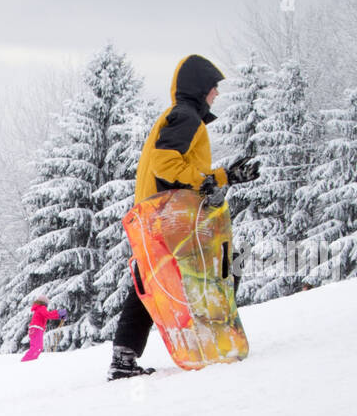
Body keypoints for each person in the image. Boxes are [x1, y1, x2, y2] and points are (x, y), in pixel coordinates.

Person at [108, 54, 260, 380]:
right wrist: (207, 182)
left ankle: (123, 358)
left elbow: (182, 170)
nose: (216, 94)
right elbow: (167, 163)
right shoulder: (186, 116)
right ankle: (214, 335)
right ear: (200, 87)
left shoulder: (178, 116)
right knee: (226, 262)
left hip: (158, 215)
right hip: (171, 215)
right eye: (214, 88)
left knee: (150, 281)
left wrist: (225, 176)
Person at [20, 295, 66, 362]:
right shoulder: (41, 307)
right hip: (36, 328)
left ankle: (31, 360)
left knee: (38, 347)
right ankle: (26, 361)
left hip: (35, 329)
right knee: (37, 347)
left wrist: (58, 316)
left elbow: (46, 316)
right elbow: (48, 315)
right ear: (44, 303)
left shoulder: (39, 308)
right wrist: (59, 313)